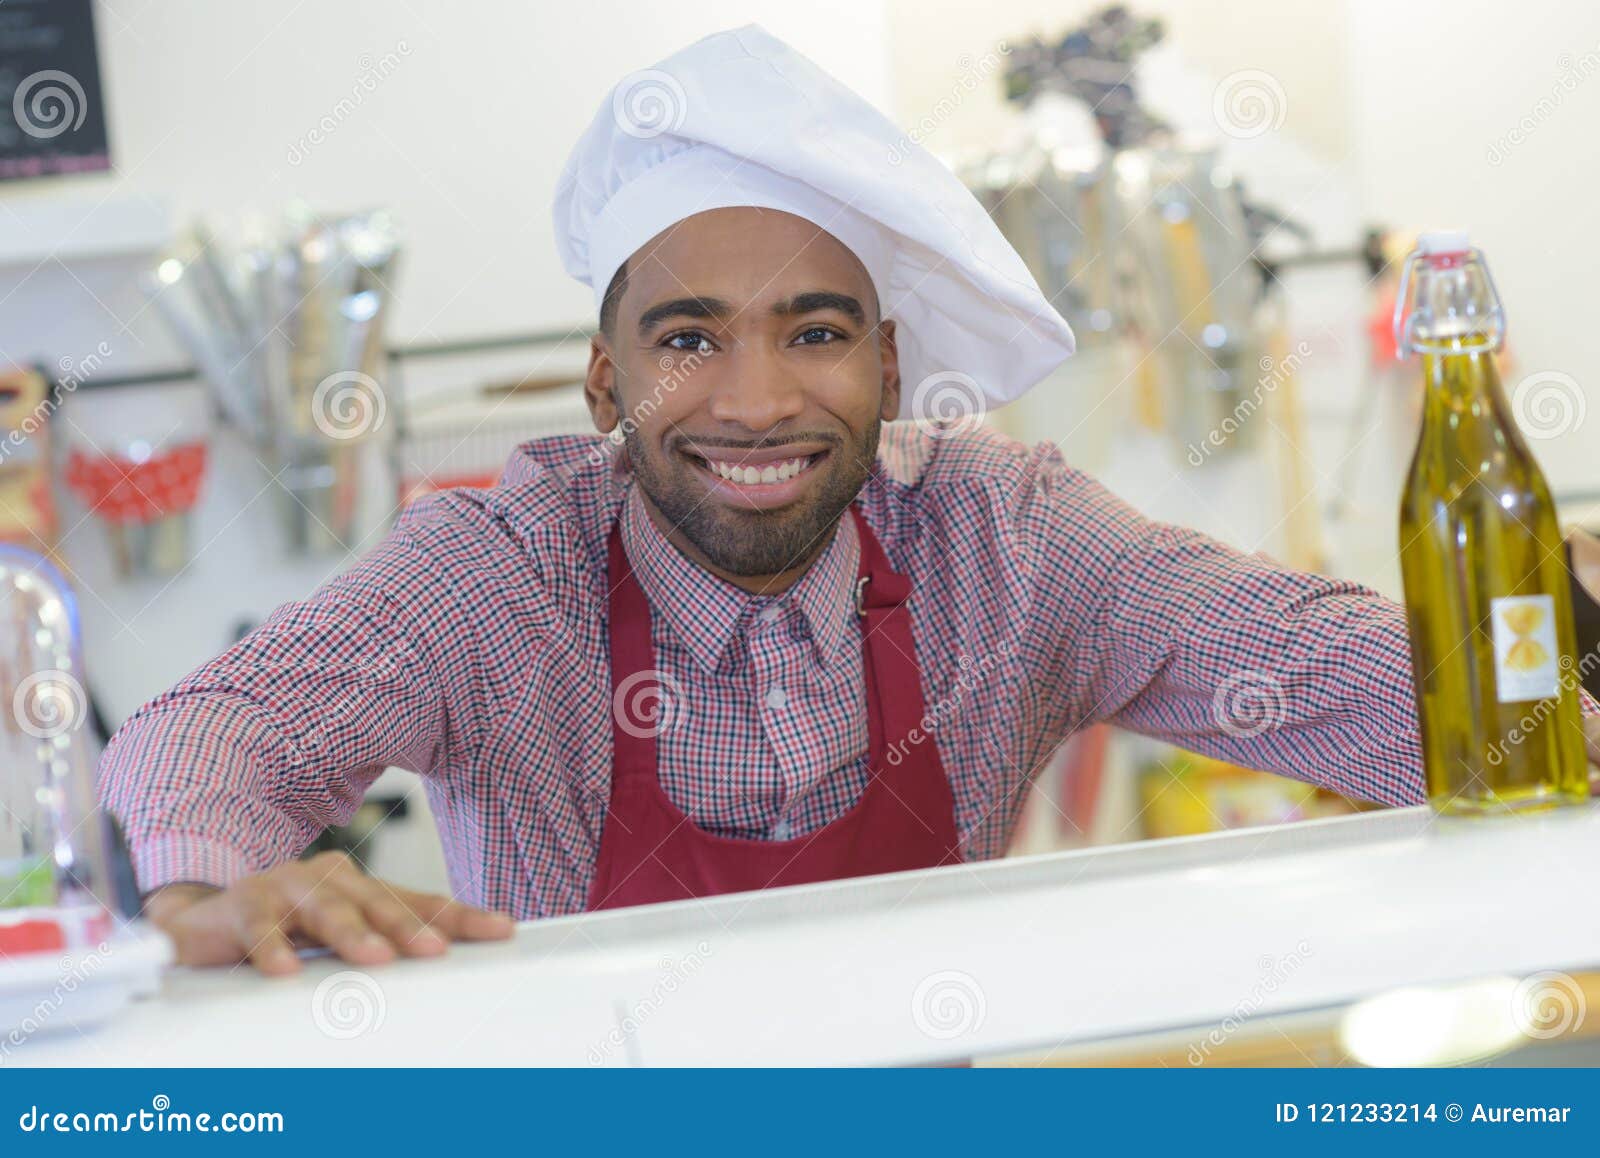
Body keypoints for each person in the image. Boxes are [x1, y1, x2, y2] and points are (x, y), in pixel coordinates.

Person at [99, 25, 1600, 974]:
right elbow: (207, 731)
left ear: (889, 364)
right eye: (690, 338)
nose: (756, 400)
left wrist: (1571, 637)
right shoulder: (498, 576)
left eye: (814, 331)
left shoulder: (1005, 542)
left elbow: (1355, 680)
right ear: (605, 383)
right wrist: (222, 885)